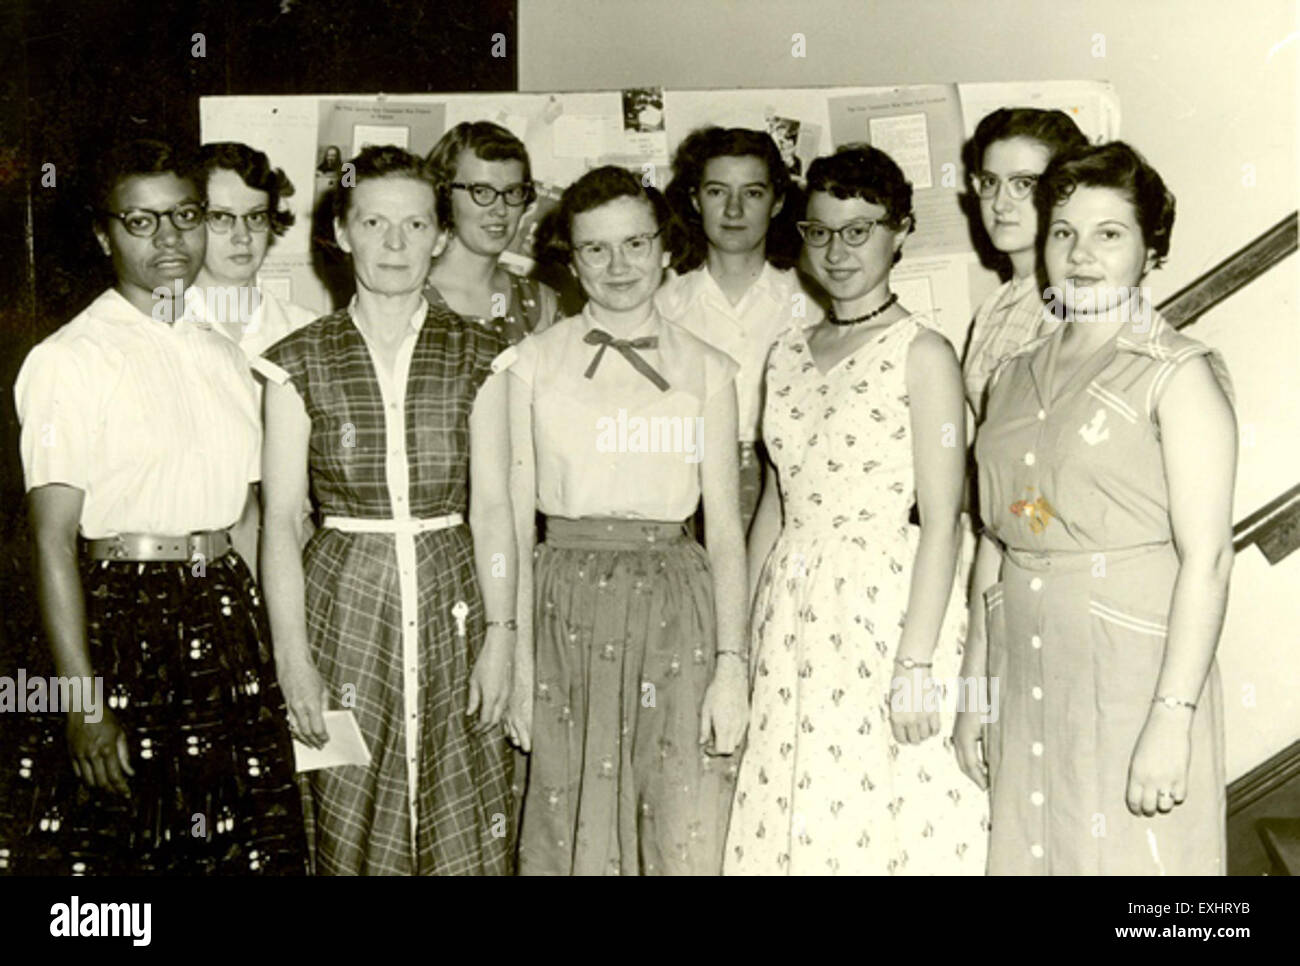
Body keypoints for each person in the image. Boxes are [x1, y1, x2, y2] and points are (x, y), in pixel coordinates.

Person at [1, 138, 306, 875]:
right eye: (142, 222)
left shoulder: (228, 354)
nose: (170, 240)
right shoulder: (70, 359)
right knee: (119, 854)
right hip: (121, 625)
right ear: (104, 234)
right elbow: (50, 541)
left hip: (225, 618)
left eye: (185, 216)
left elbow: (250, 516)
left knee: (237, 847)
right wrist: (80, 697)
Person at [965, 142, 1235, 875]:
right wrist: (972, 693)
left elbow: (1209, 559)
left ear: (1151, 250)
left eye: (1109, 233)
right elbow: (995, 540)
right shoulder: (1011, 376)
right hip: (1025, 662)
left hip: (1132, 668)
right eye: (1063, 232)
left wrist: (1171, 720)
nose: (1080, 254)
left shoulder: (1177, 374)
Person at [726, 145, 988, 875]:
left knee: (897, 810)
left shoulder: (923, 352)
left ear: (899, 231)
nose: (838, 251)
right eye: (820, 231)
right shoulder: (785, 352)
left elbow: (945, 521)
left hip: (887, 606)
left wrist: (916, 662)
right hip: (791, 610)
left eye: (860, 230)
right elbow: (777, 506)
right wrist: (739, 639)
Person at [256, 146, 517, 875]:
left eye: (414, 224)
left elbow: (493, 508)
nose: (395, 244)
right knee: (345, 807)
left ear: (440, 235)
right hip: (342, 613)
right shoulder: (295, 361)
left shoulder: (482, 353)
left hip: (454, 606)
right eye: (375, 222)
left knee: (461, 807)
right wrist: (293, 660)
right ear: (342, 232)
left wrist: (502, 634)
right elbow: (281, 519)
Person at [499, 165, 748, 875]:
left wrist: (732, 667)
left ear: (666, 248)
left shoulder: (710, 369)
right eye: (596, 249)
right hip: (560, 606)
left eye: (636, 244)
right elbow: (517, 523)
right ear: (571, 260)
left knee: (676, 816)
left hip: (674, 606)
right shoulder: (529, 364)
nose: (618, 266)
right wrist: (517, 660)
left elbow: (724, 531)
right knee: (560, 810)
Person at [659, 126, 816, 531]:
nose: (733, 210)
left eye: (752, 193)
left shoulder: (812, 305)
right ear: (695, 200)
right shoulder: (665, 305)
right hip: (685, 487)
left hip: (788, 490)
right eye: (717, 192)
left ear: (777, 202)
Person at [960, 109, 1088, 422]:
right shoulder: (996, 305)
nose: (1000, 203)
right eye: (990, 182)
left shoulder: (1071, 300)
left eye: (1023, 184)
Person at [424, 122, 560, 346]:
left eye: (513, 192)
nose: (500, 209)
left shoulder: (542, 303)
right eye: (482, 191)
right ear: (444, 193)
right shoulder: (404, 292)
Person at [192, 141, 317, 358]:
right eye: (220, 217)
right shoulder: (160, 326)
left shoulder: (307, 331)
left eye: (255, 217)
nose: (243, 236)